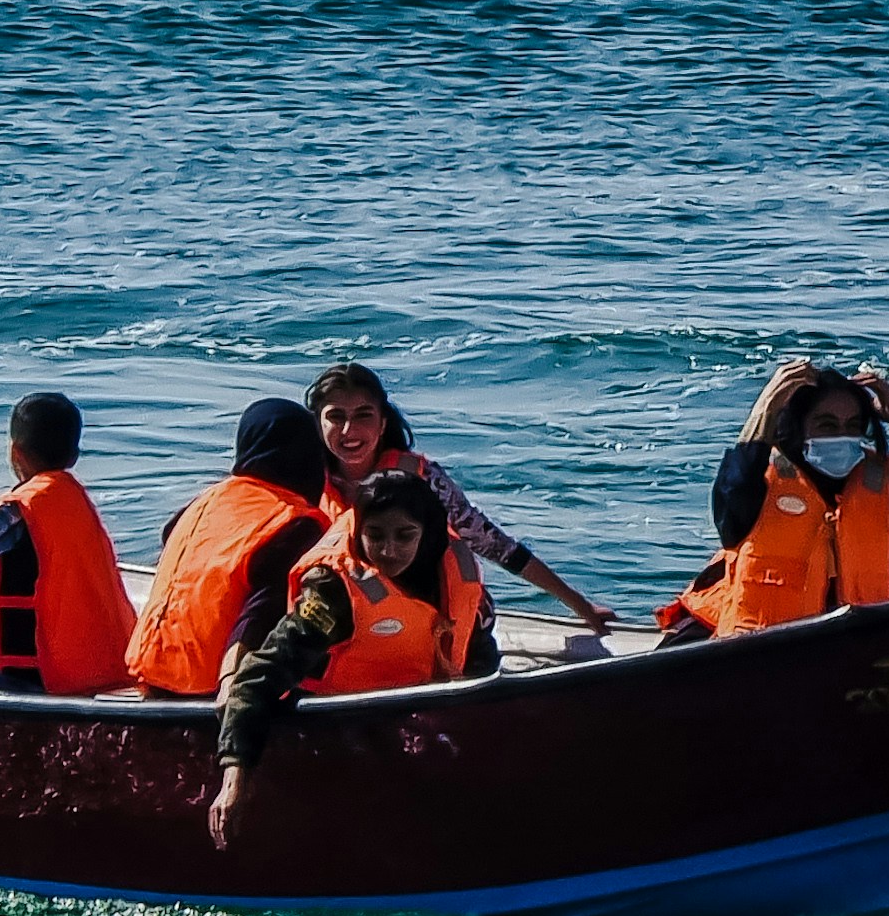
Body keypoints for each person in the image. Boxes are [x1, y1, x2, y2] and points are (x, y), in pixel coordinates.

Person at [209, 468, 484, 847]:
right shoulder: (331, 592)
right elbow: (256, 679)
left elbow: (481, 658)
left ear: (428, 532)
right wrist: (234, 779)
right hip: (338, 738)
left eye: (405, 536)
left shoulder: (458, 570)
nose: (389, 551)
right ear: (358, 530)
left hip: (419, 730)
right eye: (375, 535)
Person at [305, 359, 618, 636]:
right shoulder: (301, 480)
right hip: (344, 619)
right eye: (336, 417)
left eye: (363, 416)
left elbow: (494, 544)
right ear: (317, 425)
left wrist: (579, 605)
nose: (349, 430)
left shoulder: (422, 479)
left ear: (383, 422)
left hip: (433, 621)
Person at [657, 359, 889, 640]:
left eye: (853, 426)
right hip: (760, 651)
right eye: (827, 425)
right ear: (800, 427)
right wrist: (766, 408)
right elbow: (729, 519)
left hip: (845, 647)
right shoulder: (761, 481)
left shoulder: (875, 486)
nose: (841, 435)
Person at [123, 399, 335, 698]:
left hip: (151, 673)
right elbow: (263, 609)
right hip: (215, 687)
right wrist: (233, 682)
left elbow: (169, 533)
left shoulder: (206, 501)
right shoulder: (297, 523)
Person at [0, 392, 135, 696]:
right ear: (73, 457)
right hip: (101, 669)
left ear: (14, 451)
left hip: (38, 678)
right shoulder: (74, 499)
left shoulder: (19, 509)